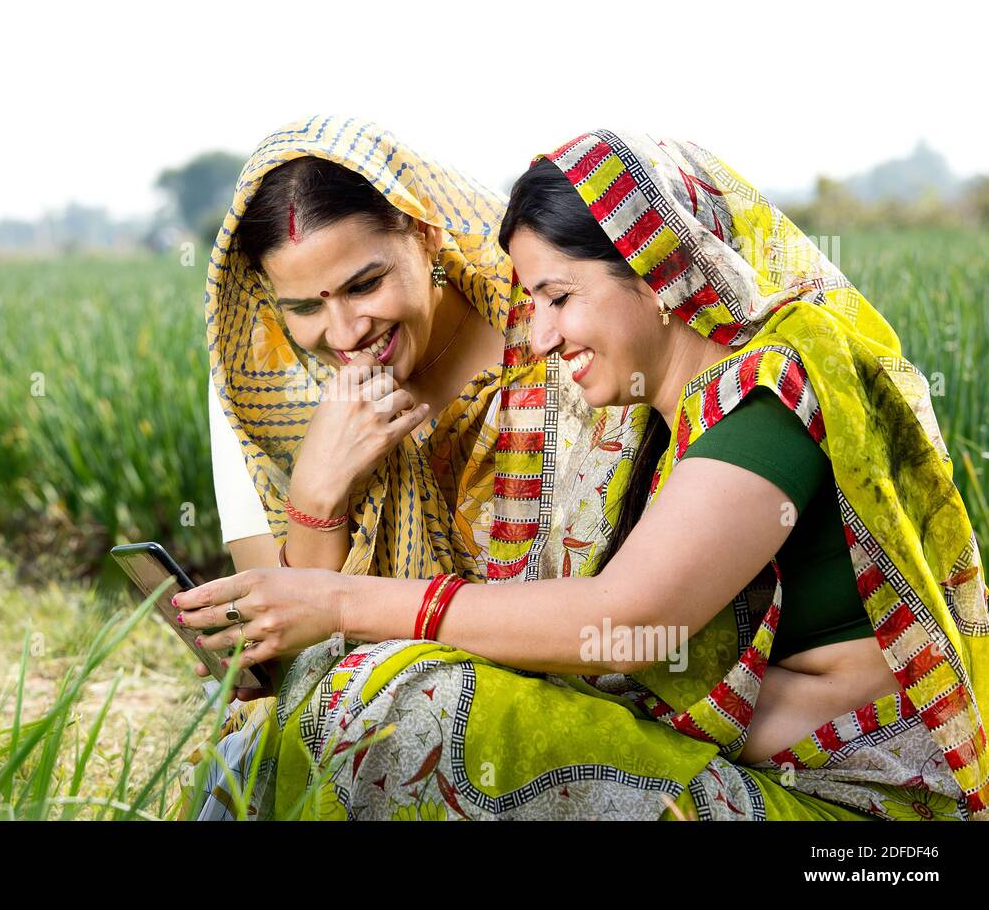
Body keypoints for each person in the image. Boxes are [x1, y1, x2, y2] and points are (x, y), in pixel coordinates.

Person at [175, 129, 989, 820]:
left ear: (655, 271)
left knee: (425, 705)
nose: (539, 333)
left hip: (856, 808)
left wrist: (344, 601)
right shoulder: (667, 425)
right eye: (529, 302)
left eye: (559, 297)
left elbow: (627, 619)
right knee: (370, 699)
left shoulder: (764, 399)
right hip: (752, 768)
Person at [186, 117, 611, 817]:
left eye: (366, 284)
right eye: (304, 307)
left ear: (426, 234)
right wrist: (317, 492)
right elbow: (291, 669)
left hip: (549, 686)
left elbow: (607, 614)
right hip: (363, 700)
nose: (347, 334)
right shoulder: (268, 383)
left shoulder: (550, 335)